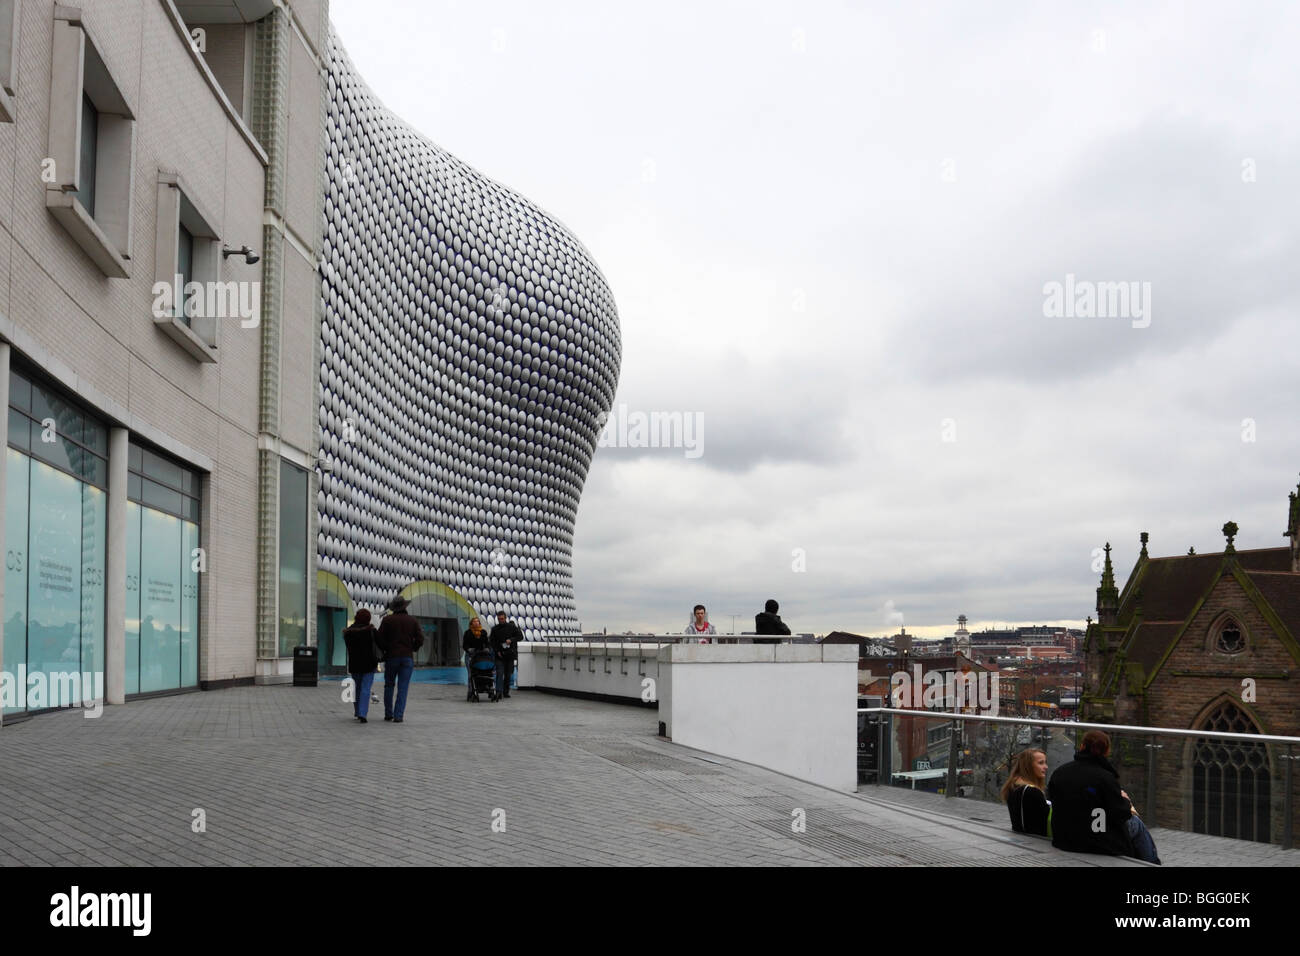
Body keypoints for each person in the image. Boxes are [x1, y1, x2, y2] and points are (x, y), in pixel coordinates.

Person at [1047, 730, 1161, 864]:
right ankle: (1152, 863)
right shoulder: (1105, 778)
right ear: (1107, 751)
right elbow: (1120, 814)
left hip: (1063, 837)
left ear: (1082, 746)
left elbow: (1053, 799)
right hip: (1097, 841)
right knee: (1136, 823)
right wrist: (1125, 799)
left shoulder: (1060, 772)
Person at [376, 595, 424, 722]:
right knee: (403, 687)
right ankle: (398, 715)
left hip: (391, 656)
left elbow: (379, 638)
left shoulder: (387, 620)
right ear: (404, 607)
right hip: (407, 657)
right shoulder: (412, 620)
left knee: (389, 685)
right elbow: (420, 639)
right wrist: (413, 648)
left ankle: (388, 713)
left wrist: (386, 648)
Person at [342, 608, 381, 723]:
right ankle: (363, 713)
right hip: (369, 664)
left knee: (357, 688)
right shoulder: (371, 631)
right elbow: (381, 643)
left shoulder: (348, 632)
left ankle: (358, 711)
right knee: (365, 688)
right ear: (368, 619)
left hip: (355, 664)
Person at [1001, 748, 1050, 836]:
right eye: (1041, 763)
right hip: (1036, 838)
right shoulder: (1032, 791)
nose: (1046, 767)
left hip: (1019, 835)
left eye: (1045, 762)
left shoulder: (1013, 786)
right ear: (1028, 766)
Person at [490, 611, 523, 699]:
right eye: (499, 619)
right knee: (500, 673)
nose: (500, 620)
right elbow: (492, 642)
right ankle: (498, 692)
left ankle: (505, 691)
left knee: (508, 675)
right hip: (499, 655)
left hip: (509, 655)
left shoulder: (512, 627)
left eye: (502, 619)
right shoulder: (494, 629)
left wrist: (511, 640)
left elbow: (520, 636)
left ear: (505, 618)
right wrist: (497, 651)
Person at [462, 616, 492, 701]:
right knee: (470, 674)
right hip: (471, 655)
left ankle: (487, 687)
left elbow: (487, 643)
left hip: (481, 655)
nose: (476, 623)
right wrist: (468, 649)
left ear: (479, 623)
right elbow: (464, 645)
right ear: (471, 623)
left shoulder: (483, 632)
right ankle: (470, 691)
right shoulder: (468, 633)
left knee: (485, 672)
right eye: (474, 621)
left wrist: (487, 648)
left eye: (477, 621)